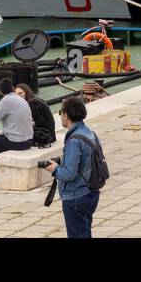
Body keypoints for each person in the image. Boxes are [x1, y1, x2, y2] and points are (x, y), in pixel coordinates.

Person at [43, 98, 104, 238]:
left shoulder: (74, 141)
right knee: (84, 233)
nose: (61, 117)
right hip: (91, 193)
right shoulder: (90, 133)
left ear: (66, 115)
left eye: (60, 113)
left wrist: (54, 169)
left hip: (76, 197)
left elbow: (69, 174)